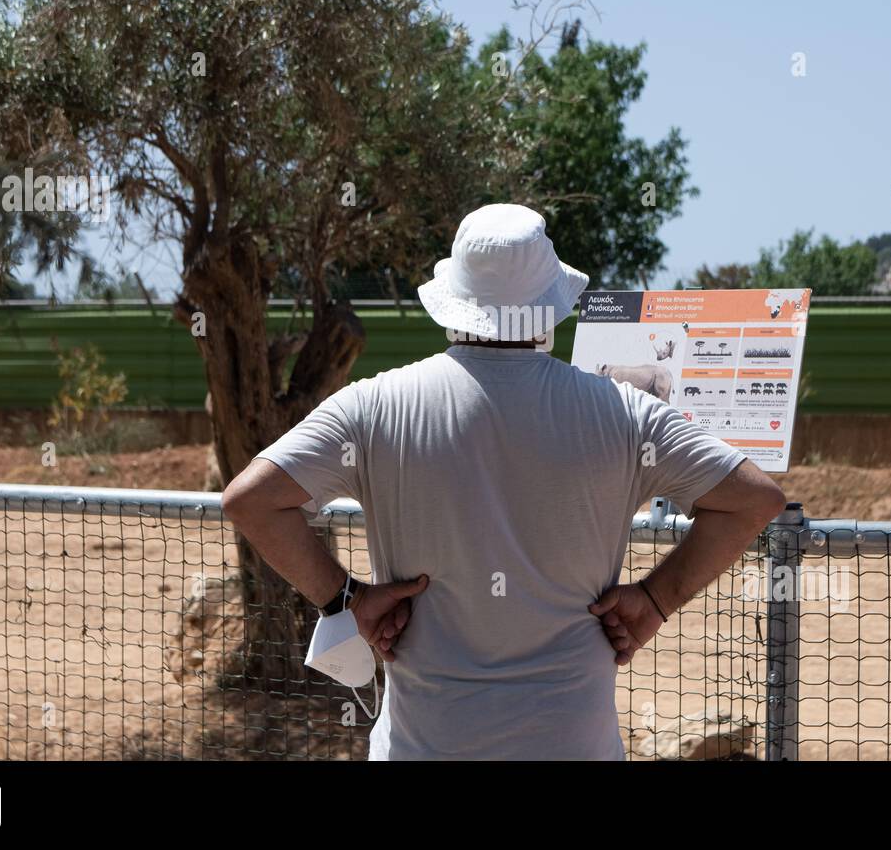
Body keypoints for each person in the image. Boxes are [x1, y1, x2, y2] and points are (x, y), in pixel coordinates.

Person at [221, 203, 787, 759]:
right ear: (549, 309)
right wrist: (655, 600)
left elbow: (251, 501)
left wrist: (344, 599)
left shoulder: (374, 406)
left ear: (453, 304)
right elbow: (753, 502)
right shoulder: (625, 414)